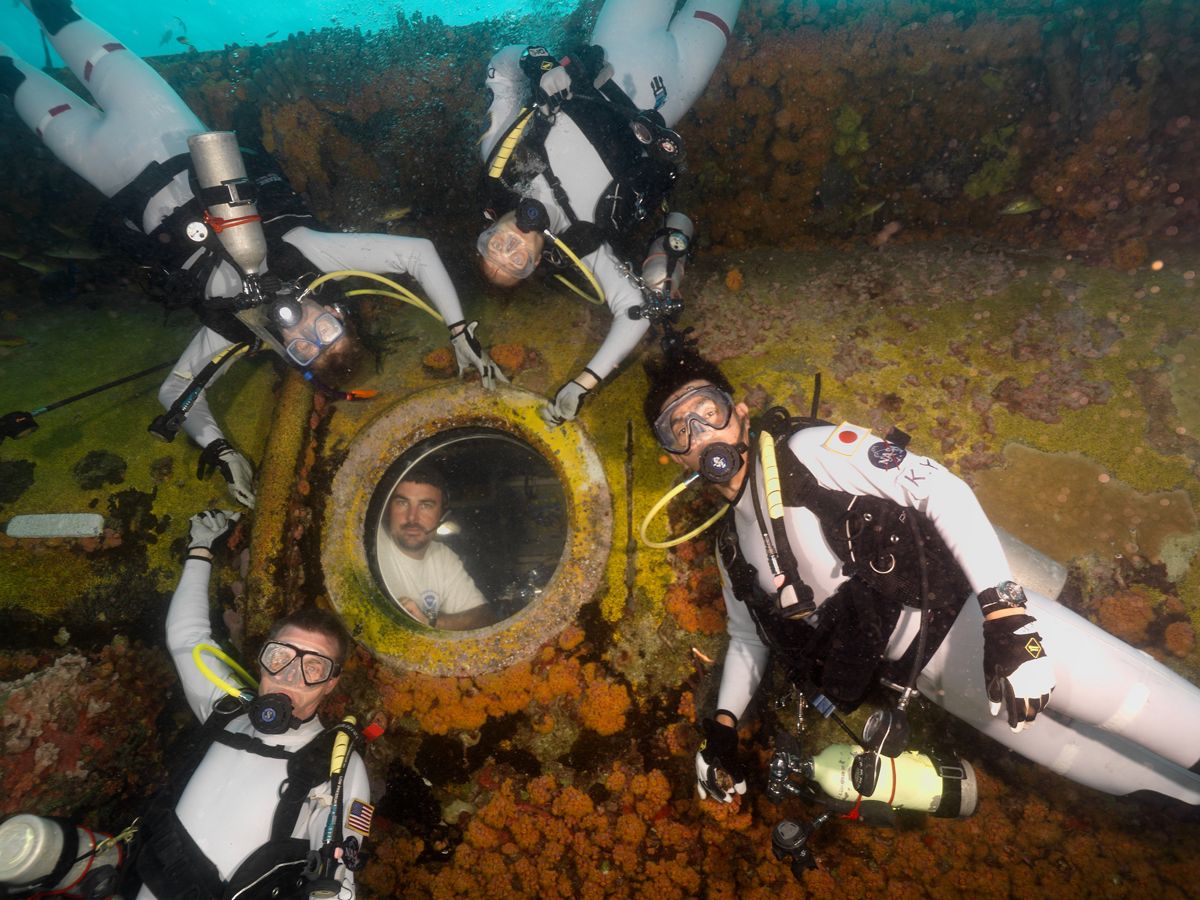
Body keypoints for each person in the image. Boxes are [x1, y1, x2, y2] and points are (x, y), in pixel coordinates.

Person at [643, 344, 1200, 806]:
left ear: (739, 412)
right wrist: (723, 726)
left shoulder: (807, 451)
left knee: (1173, 727)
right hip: (932, 683)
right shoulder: (730, 549)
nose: (701, 432)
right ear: (674, 456)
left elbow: (938, 488)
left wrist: (1007, 618)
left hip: (984, 626)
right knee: (1133, 784)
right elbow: (747, 638)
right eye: (678, 429)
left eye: (708, 410)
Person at [1, 0, 505, 508]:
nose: (304, 331)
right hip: (160, 123)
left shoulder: (236, 327)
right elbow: (417, 254)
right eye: (326, 331)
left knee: (7, 74)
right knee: (56, 15)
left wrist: (221, 450)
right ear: (336, 311)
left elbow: (177, 389)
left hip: (103, 167)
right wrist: (457, 329)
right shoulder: (307, 255)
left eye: (305, 349)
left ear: (290, 357)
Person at [476, 0, 741, 425]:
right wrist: (583, 384)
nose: (513, 245)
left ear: (489, 230)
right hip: (673, 91)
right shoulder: (579, 240)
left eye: (497, 247)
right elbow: (632, 310)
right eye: (518, 261)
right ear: (537, 262)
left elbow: (501, 67)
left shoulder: (500, 161)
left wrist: (539, 65)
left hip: (621, 40)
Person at [131, 509, 371, 898]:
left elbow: (338, 884)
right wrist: (200, 548)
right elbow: (186, 639)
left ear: (331, 683)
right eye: (280, 657)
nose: (290, 676)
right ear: (262, 659)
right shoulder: (226, 711)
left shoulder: (336, 765)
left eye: (313, 667)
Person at [374, 467, 495, 630]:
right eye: (402, 503)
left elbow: (484, 617)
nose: (412, 517)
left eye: (426, 505)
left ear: (442, 516)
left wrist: (430, 622)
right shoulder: (369, 546)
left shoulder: (443, 556)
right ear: (388, 509)